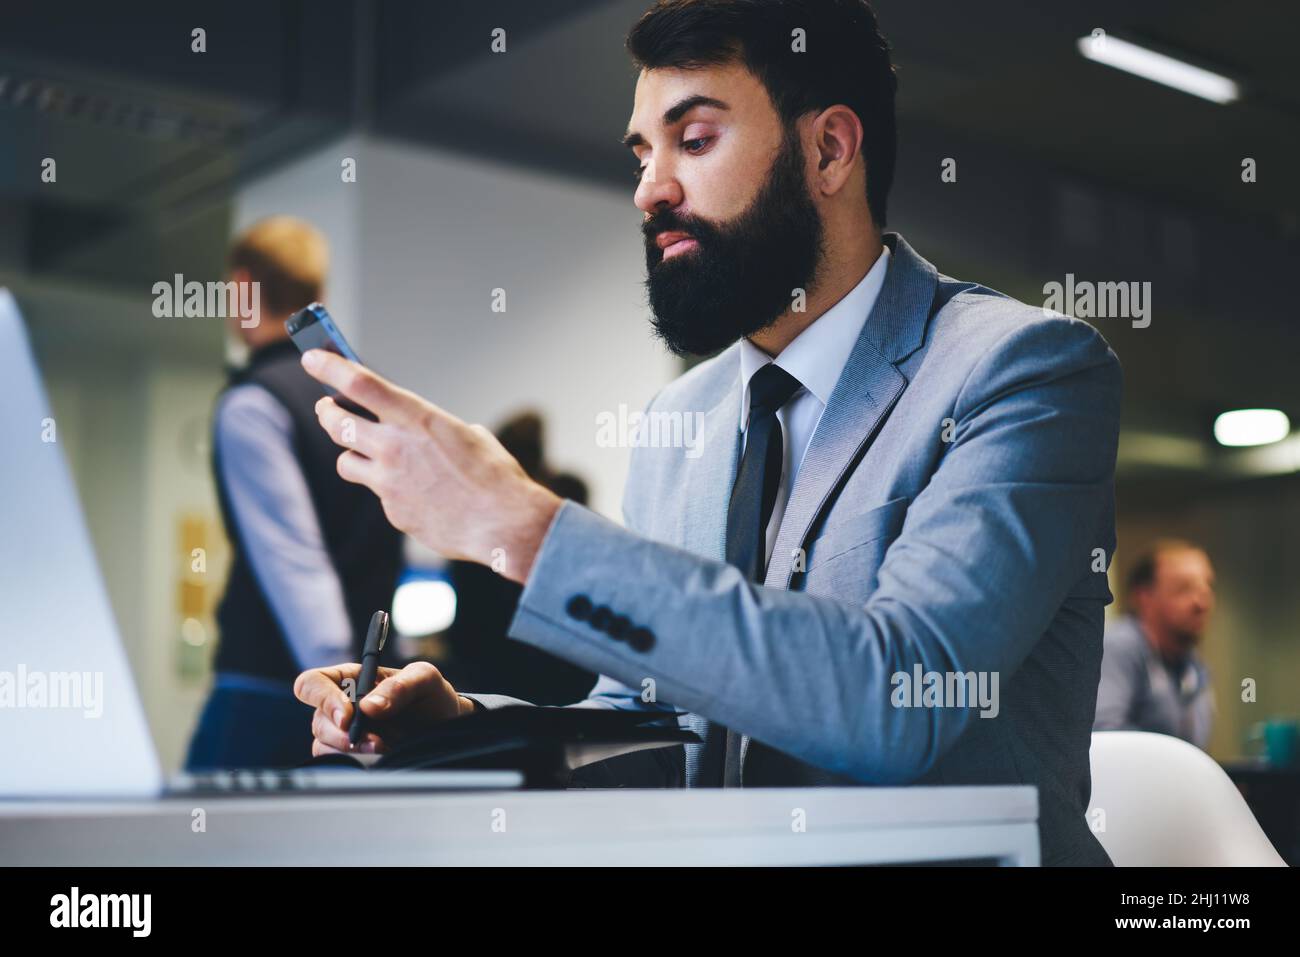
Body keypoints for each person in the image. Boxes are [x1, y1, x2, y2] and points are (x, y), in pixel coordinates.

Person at [294, 0, 1121, 865]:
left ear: (829, 150)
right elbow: (651, 723)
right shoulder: (680, 419)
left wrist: (526, 531)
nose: (652, 188)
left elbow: (900, 701)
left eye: (693, 141)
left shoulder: (1025, 372)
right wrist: (461, 728)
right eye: (644, 153)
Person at [185, 216, 404, 770]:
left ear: (241, 290)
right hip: (369, 684)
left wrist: (334, 700)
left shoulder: (252, 405)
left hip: (283, 692)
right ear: (318, 296)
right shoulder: (371, 393)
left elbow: (295, 564)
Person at [441, 411, 596, 705]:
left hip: (496, 674)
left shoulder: (476, 531)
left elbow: (467, 631)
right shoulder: (567, 507)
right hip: (566, 670)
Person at [1094, 540, 1216, 748]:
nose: (1201, 603)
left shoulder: (1192, 663)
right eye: (1184, 589)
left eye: (1207, 587)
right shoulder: (1121, 647)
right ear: (1144, 597)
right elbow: (1106, 735)